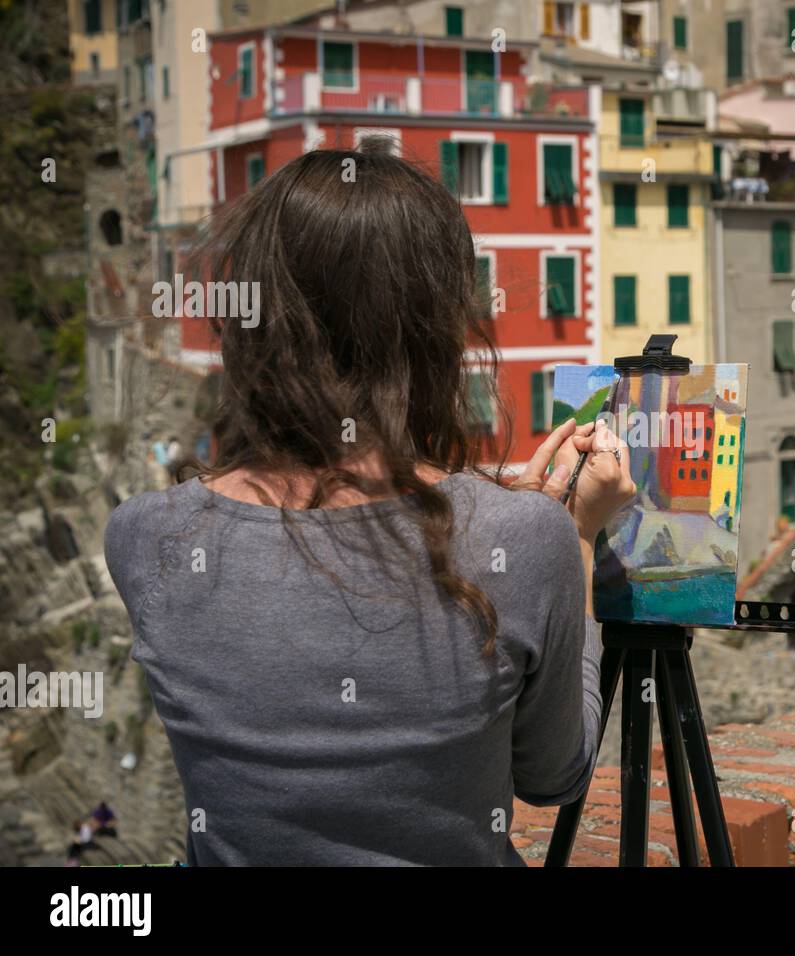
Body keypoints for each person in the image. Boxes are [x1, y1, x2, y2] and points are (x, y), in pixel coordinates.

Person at [104, 144, 635, 866]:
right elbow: (556, 774)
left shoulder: (145, 536)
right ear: (435, 329)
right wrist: (573, 535)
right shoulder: (523, 536)